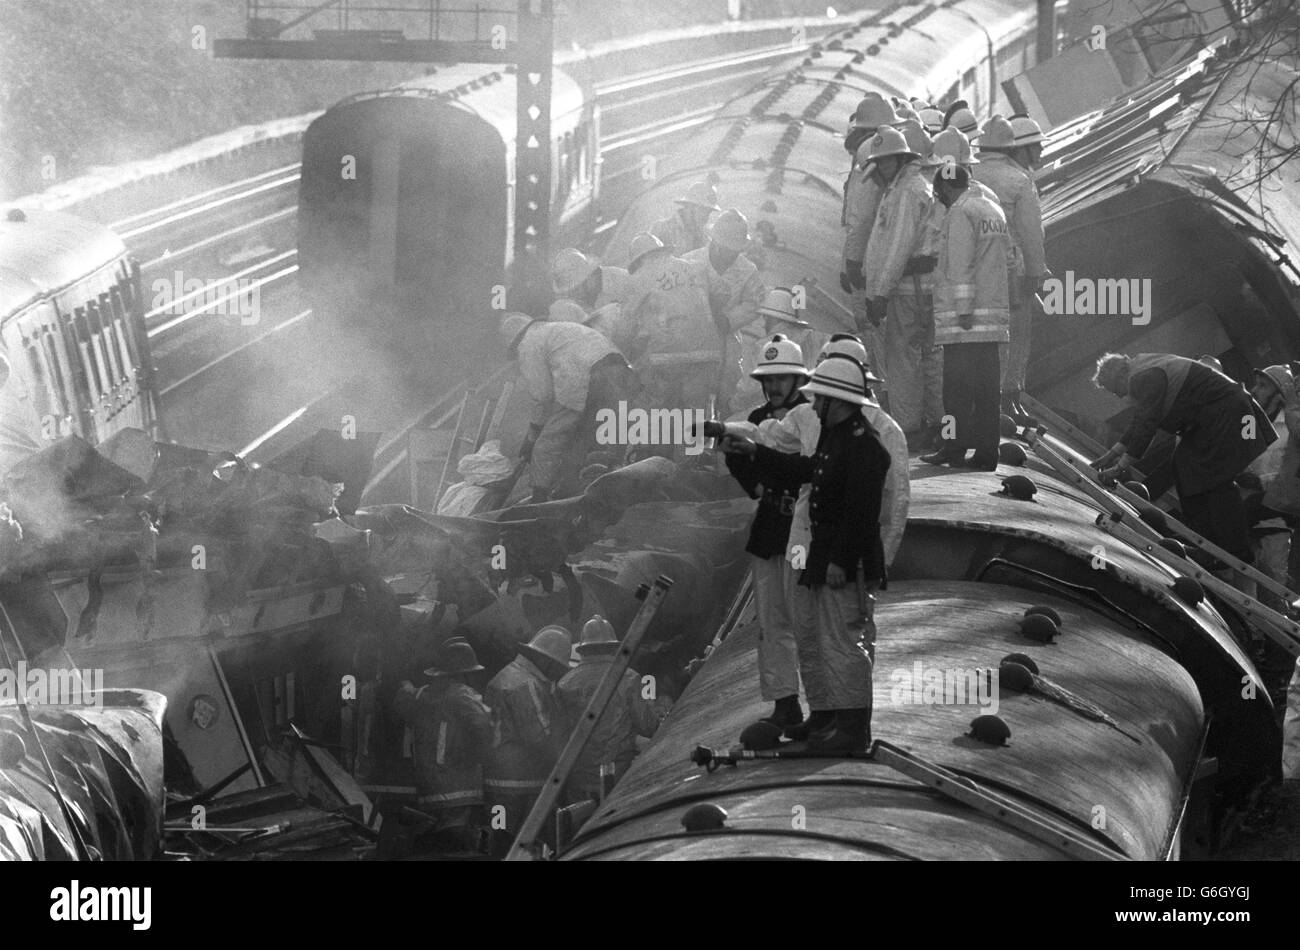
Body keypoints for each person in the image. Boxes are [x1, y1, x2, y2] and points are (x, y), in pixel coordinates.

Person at [722, 357, 890, 752]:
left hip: (844, 564)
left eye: (820, 401)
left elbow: (860, 515)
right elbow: (805, 471)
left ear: (839, 402)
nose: (813, 407)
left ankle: (851, 730)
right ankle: (827, 718)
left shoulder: (865, 450)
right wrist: (754, 452)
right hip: (824, 558)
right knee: (821, 639)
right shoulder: (839, 439)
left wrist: (840, 561)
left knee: (845, 643)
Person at [1090, 352, 1277, 587]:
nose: (1119, 396)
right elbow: (1141, 420)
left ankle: (1233, 550)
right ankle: (1206, 543)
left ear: (1118, 376)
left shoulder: (1142, 378)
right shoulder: (1143, 368)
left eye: (1113, 389)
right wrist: (1113, 454)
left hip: (1224, 414)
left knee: (1214, 478)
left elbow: (1148, 423)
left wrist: (1121, 466)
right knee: (1183, 466)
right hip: (1219, 415)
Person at [721, 335, 812, 730]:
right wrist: (754, 484)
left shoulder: (812, 417)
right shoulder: (755, 420)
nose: (773, 387)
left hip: (805, 531)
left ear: (797, 380)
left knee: (806, 620)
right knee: (772, 623)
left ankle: (824, 703)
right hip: (771, 527)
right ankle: (785, 702)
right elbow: (737, 457)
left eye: (781, 379)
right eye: (768, 379)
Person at [921, 164, 1011, 471]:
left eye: (939, 194)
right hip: (993, 321)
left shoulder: (960, 213)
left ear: (945, 189)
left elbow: (960, 266)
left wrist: (962, 310)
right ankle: (988, 454)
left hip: (965, 323)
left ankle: (952, 448)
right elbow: (1007, 260)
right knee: (988, 393)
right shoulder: (992, 209)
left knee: (954, 394)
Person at [500, 313, 638, 502]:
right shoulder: (557, 329)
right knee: (596, 438)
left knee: (546, 445)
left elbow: (543, 395)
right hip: (621, 374)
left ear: (513, 342)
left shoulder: (527, 343)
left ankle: (539, 498)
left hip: (587, 379)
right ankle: (585, 489)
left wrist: (533, 434)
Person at [859, 126, 936, 445]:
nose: (884, 168)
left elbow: (897, 248)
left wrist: (879, 293)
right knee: (925, 357)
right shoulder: (905, 187)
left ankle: (909, 427)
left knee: (903, 358)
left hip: (908, 288)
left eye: (889, 161)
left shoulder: (906, 192)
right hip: (914, 286)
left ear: (902, 159)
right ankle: (937, 424)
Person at [976, 114, 1048, 410]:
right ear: (1018, 149)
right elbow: (1031, 234)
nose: (1041, 152)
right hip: (1013, 271)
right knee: (1017, 335)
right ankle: (1009, 399)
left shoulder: (970, 175)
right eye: (1036, 147)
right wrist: (1036, 273)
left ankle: (985, 399)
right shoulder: (1019, 181)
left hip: (976, 271)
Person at [391, 639, 492, 851]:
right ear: (463, 673)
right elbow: (483, 726)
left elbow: (401, 706)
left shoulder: (422, 694)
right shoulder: (463, 694)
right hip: (459, 787)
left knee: (436, 846)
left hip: (428, 786)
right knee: (459, 847)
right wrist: (480, 758)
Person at [483, 624, 574, 856]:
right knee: (524, 843)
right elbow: (539, 736)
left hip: (497, 782)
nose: (559, 672)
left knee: (499, 837)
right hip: (522, 784)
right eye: (558, 666)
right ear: (546, 660)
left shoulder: (507, 675)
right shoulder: (526, 684)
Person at [556, 615, 665, 803]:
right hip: (617, 778)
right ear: (614, 647)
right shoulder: (629, 678)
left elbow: (559, 734)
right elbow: (648, 725)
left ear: (582, 649)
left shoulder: (564, 683)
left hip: (577, 779)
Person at [620, 232, 724, 417]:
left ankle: (658, 443)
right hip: (707, 353)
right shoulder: (698, 268)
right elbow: (724, 294)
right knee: (698, 416)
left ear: (639, 259)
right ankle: (697, 445)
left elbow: (626, 325)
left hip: (665, 356)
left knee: (658, 414)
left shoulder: (639, 278)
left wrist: (620, 354)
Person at [841, 95, 900, 393]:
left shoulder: (868, 152)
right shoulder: (892, 149)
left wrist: (849, 261)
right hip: (881, 257)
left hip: (868, 262)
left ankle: (883, 399)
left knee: (873, 334)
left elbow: (860, 215)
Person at [684, 209, 765, 417]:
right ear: (717, 243)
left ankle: (722, 426)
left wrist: (728, 320)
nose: (735, 254)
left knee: (729, 380)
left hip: (726, 336)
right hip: (689, 335)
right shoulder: (689, 262)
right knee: (689, 385)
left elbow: (755, 304)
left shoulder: (748, 270)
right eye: (730, 249)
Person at [550, 248, 632, 350]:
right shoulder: (571, 300)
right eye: (570, 291)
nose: (574, 295)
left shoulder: (625, 281)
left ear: (589, 276)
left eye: (575, 288)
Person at [651, 181, 721, 255]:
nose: (706, 217)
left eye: (709, 212)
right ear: (690, 206)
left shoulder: (706, 237)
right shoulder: (662, 230)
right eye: (703, 210)